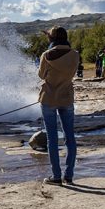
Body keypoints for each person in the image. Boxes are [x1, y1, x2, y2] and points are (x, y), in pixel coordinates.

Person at [38, 26, 80, 185]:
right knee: (70, 137)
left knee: (52, 139)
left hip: (48, 98)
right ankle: (69, 175)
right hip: (67, 97)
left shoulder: (46, 55)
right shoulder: (75, 55)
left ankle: (56, 176)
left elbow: (41, 75)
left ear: (52, 39)